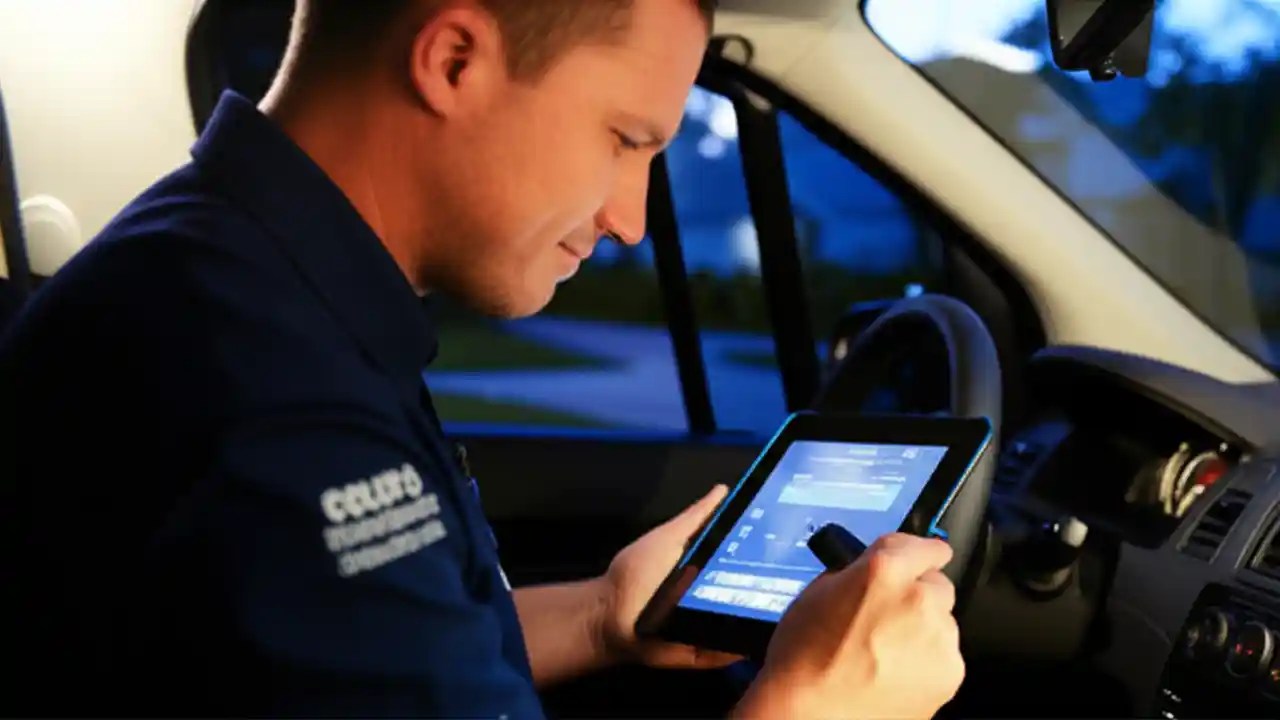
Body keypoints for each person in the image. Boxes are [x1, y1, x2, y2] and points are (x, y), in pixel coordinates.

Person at [0, 0, 965, 717]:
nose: (631, 218)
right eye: (626, 140)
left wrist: (597, 619)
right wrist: (816, 706)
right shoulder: (269, 403)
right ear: (454, 58)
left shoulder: (239, 282)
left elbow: (365, 655)